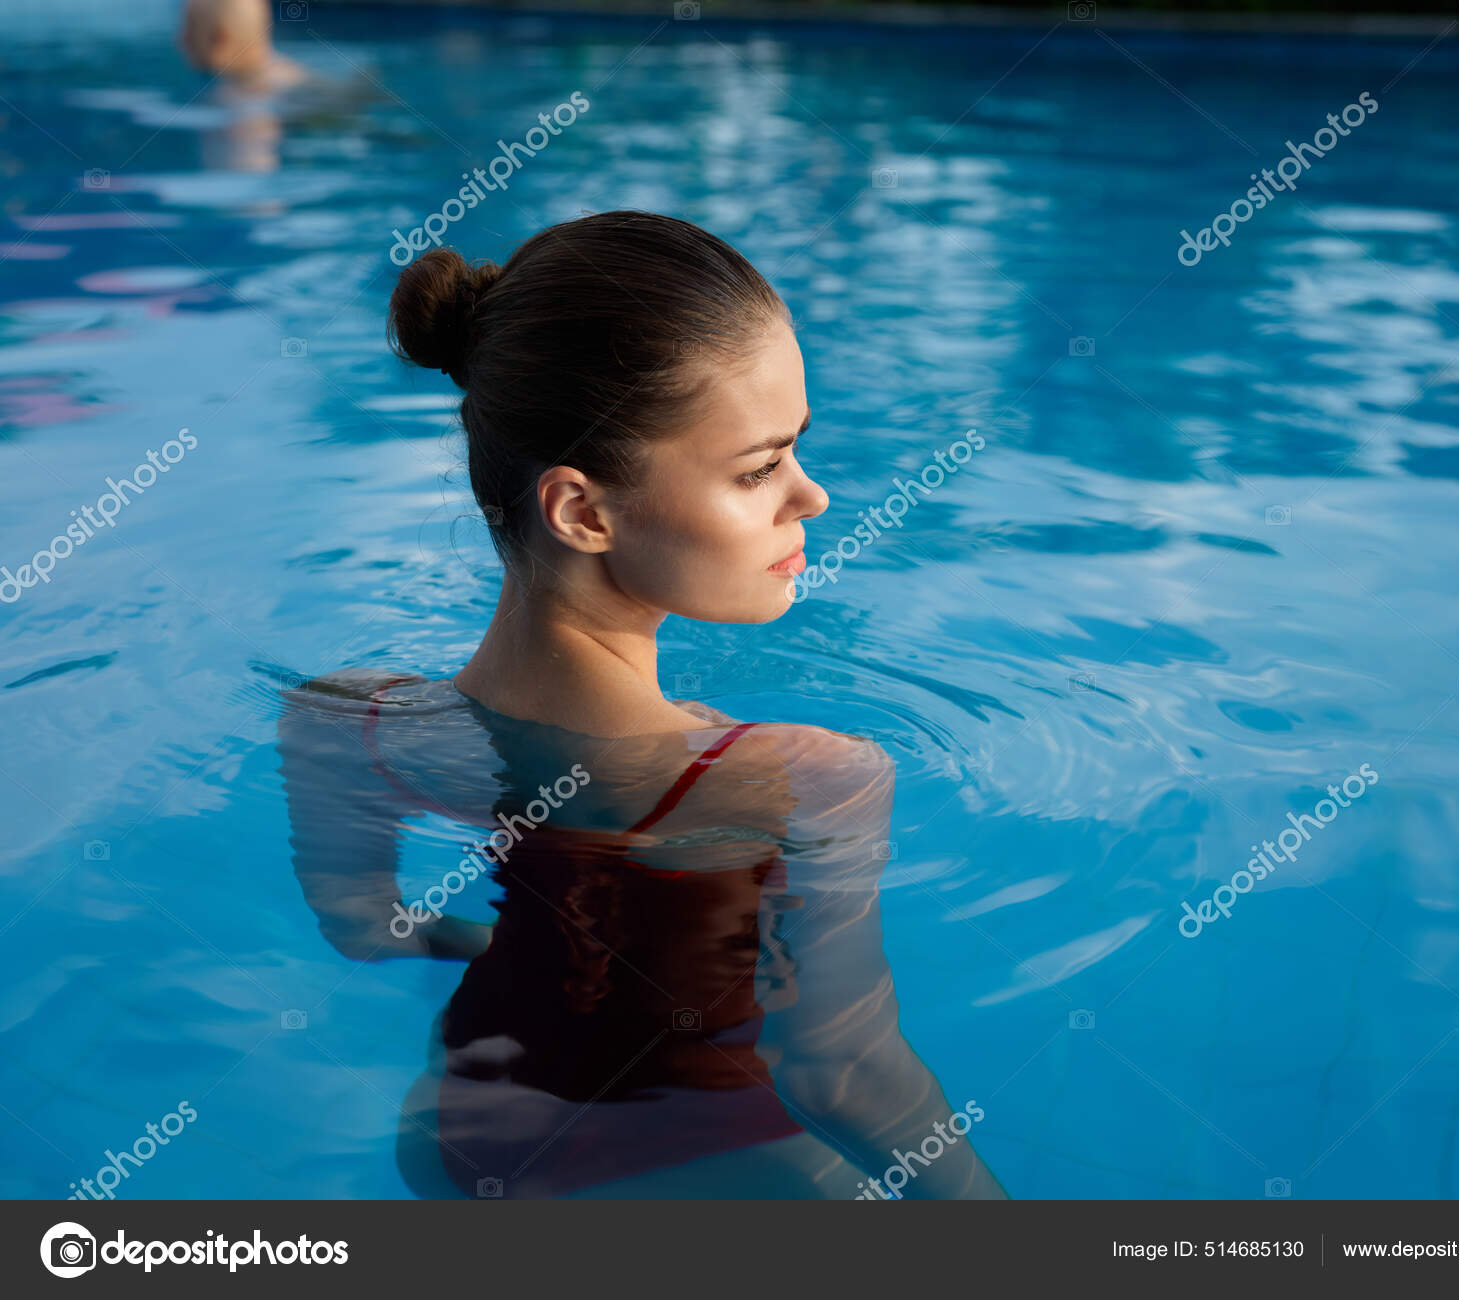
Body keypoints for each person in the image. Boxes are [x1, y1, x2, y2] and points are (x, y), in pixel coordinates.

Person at [277, 210, 1006, 1199]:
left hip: (458, 1149)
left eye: (794, 449)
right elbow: (841, 1073)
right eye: (758, 468)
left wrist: (550, 953)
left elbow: (365, 926)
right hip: (705, 1168)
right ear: (582, 510)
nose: (814, 496)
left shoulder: (343, 719)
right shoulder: (805, 778)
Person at [177, 0, 309, 94]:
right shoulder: (290, 73)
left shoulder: (241, 94)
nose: (181, 40)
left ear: (220, 39)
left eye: (190, 28)